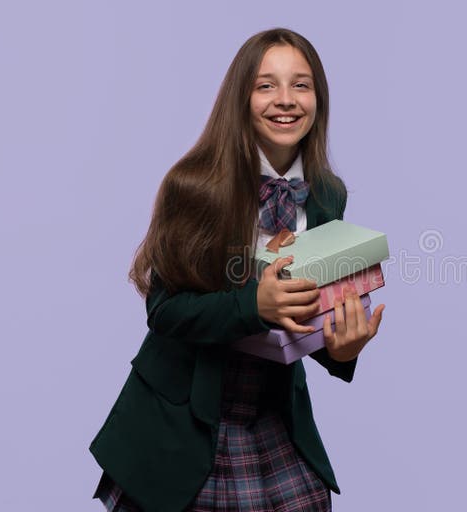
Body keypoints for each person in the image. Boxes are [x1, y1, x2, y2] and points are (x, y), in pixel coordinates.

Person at [89, 27, 385, 512]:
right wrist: (254, 304)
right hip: (183, 422)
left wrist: (341, 351)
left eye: (301, 84)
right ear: (240, 98)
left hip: (272, 414)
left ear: (319, 99)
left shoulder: (327, 194)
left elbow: (309, 313)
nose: (285, 99)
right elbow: (164, 312)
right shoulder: (194, 186)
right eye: (266, 85)